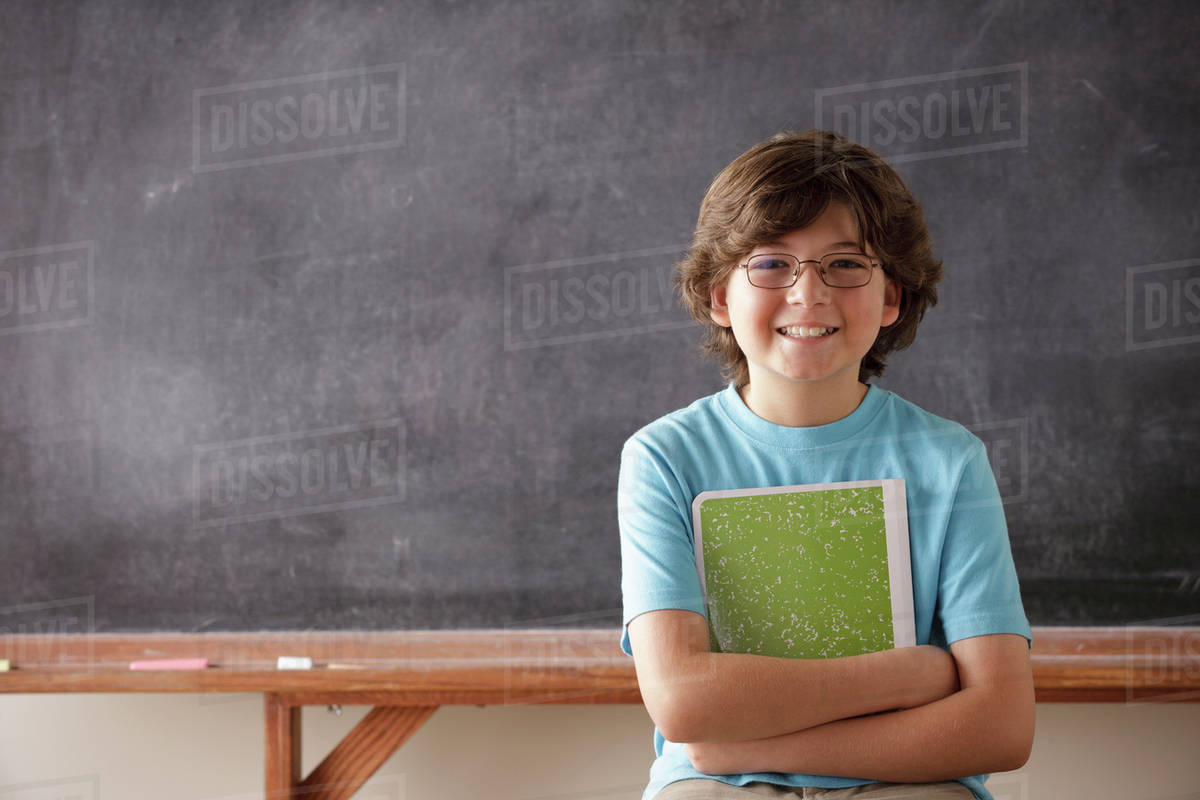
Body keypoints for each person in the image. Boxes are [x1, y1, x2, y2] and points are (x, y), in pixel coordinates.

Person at [617, 130, 1034, 800]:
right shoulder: (663, 458)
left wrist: (739, 744)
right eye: (772, 264)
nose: (808, 295)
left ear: (891, 296)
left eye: (845, 265)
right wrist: (909, 677)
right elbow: (685, 705)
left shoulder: (950, 461)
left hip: (907, 783)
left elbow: (1002, 727)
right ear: (721, 297)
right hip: (716, 785)